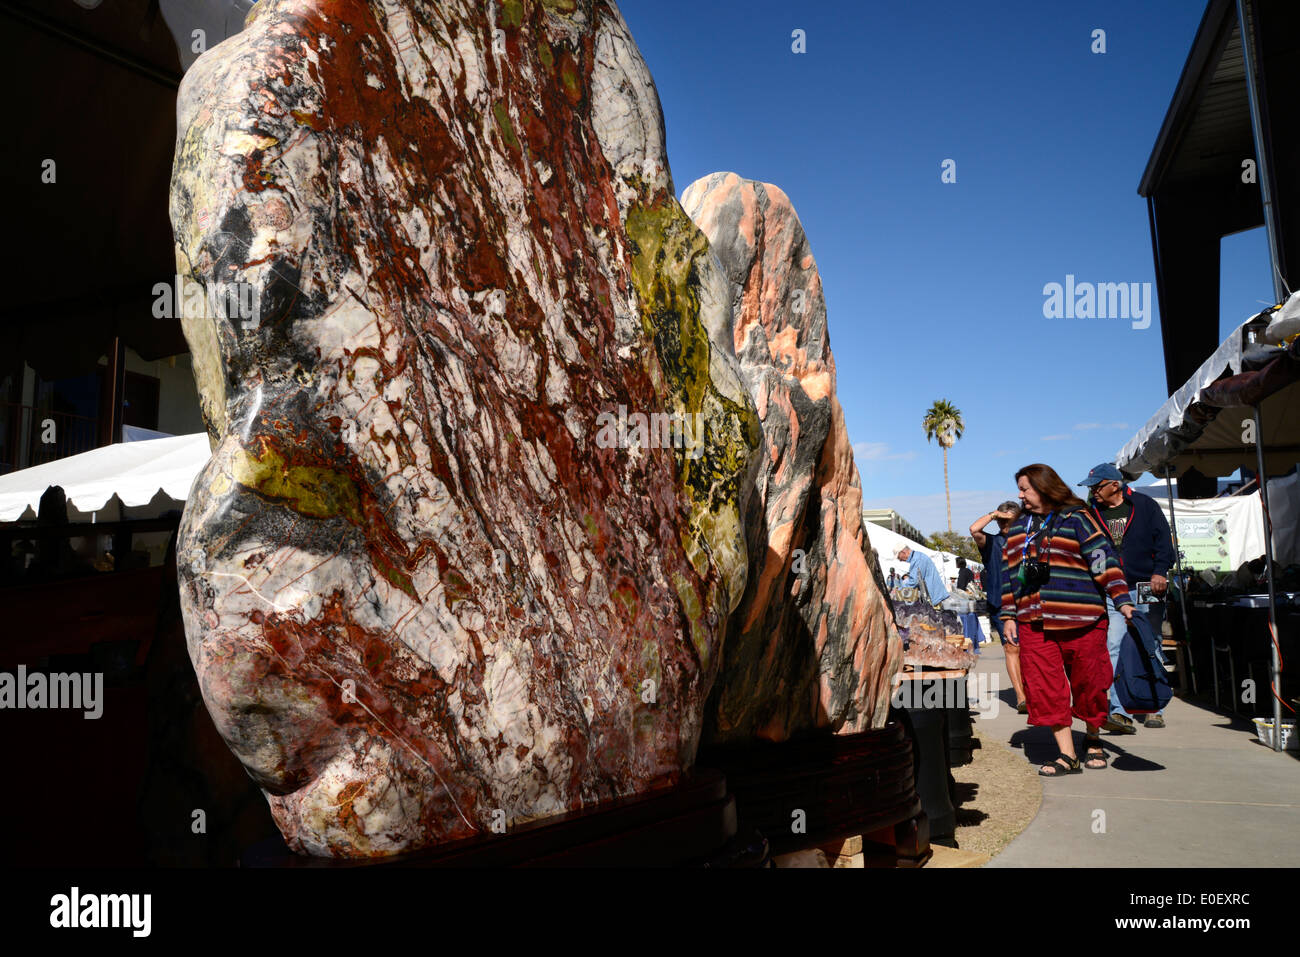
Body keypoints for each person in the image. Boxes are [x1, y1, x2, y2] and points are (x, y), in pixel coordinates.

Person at [1000, 464, 1135, 776]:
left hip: (1083, 619)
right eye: (1019, 489)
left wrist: (1121, 599)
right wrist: (1008, 615)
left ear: (1045, 487)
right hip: (1034, 622)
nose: (1020, 496)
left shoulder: (1077, 517)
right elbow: (1010, 578)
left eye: (1025, 489)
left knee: (1090, 685)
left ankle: (1093, 739)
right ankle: (1067, 755)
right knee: (1045, 688)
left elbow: (1103, 560)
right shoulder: (1020, 528)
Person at [1080, 463, 1176, 732]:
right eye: (1091, 488)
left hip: (1148, 584)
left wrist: (1160, 572)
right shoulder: (1092, 512)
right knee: (1114, 645)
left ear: (1115, 484)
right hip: (1113, 588)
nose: (1093, 492)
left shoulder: (1144, 505)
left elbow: (1164, 543)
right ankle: (1120, 710)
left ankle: (1154, 707)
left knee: (1151, 642)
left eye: (1097, 487)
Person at [971, 500, 1028, 712]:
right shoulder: (992, 542)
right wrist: (995, 514)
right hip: (1001, 603)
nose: (1005, 524)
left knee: (1031, 650)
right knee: (1012, 648)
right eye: (1001, 520)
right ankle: (1021, 697)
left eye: (1009, 520)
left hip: (1026, 602)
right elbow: (974, 529)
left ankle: (1034, 692)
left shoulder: (1027, 541)